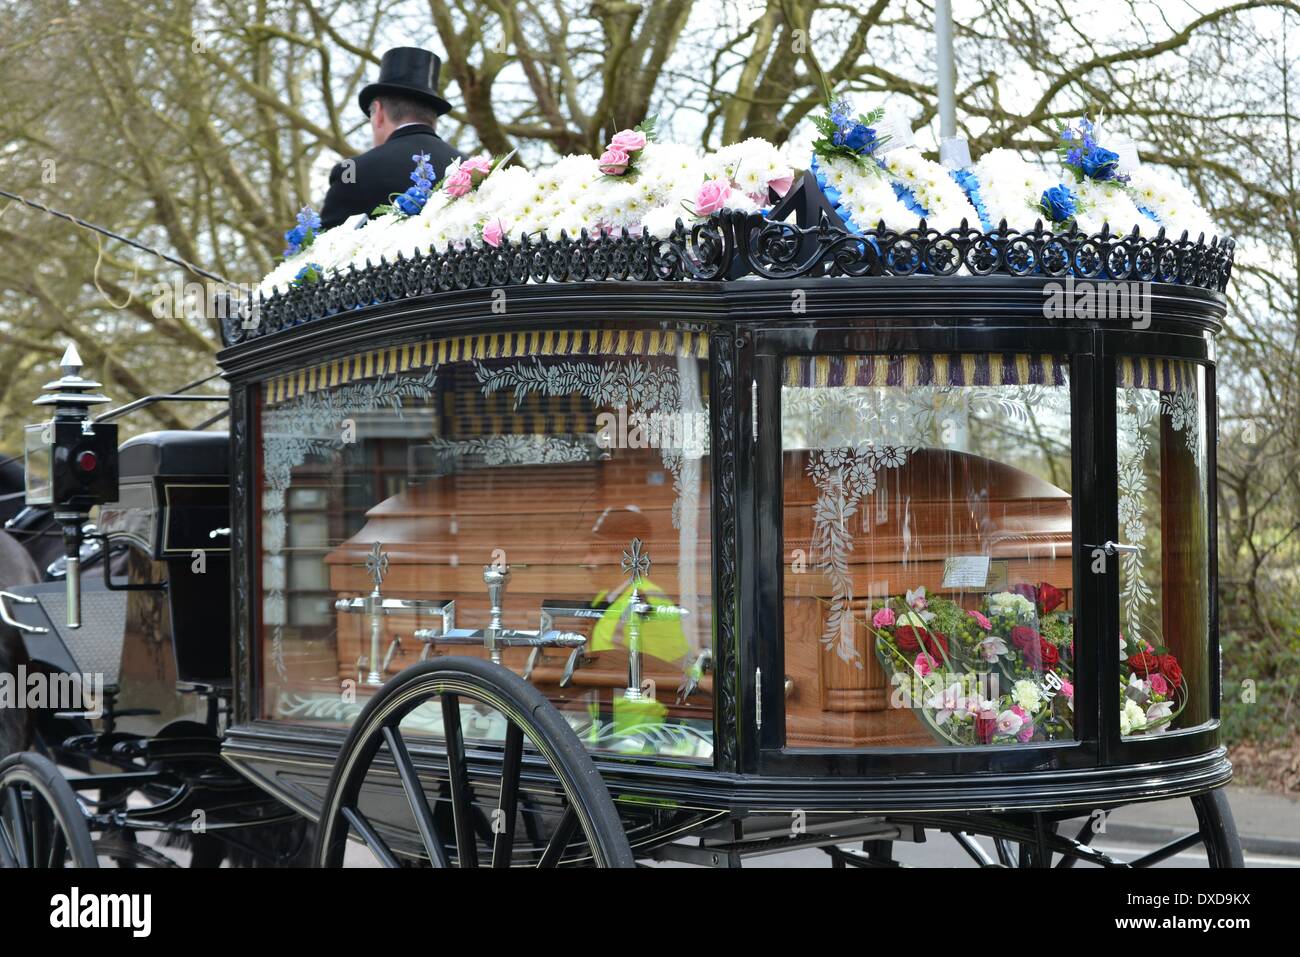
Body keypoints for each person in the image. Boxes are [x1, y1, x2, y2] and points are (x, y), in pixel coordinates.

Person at [318, 47, 463, 230]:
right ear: (434, 117)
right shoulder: (472, 169)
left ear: (378, 113)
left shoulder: (352, 172)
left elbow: (324, 250)